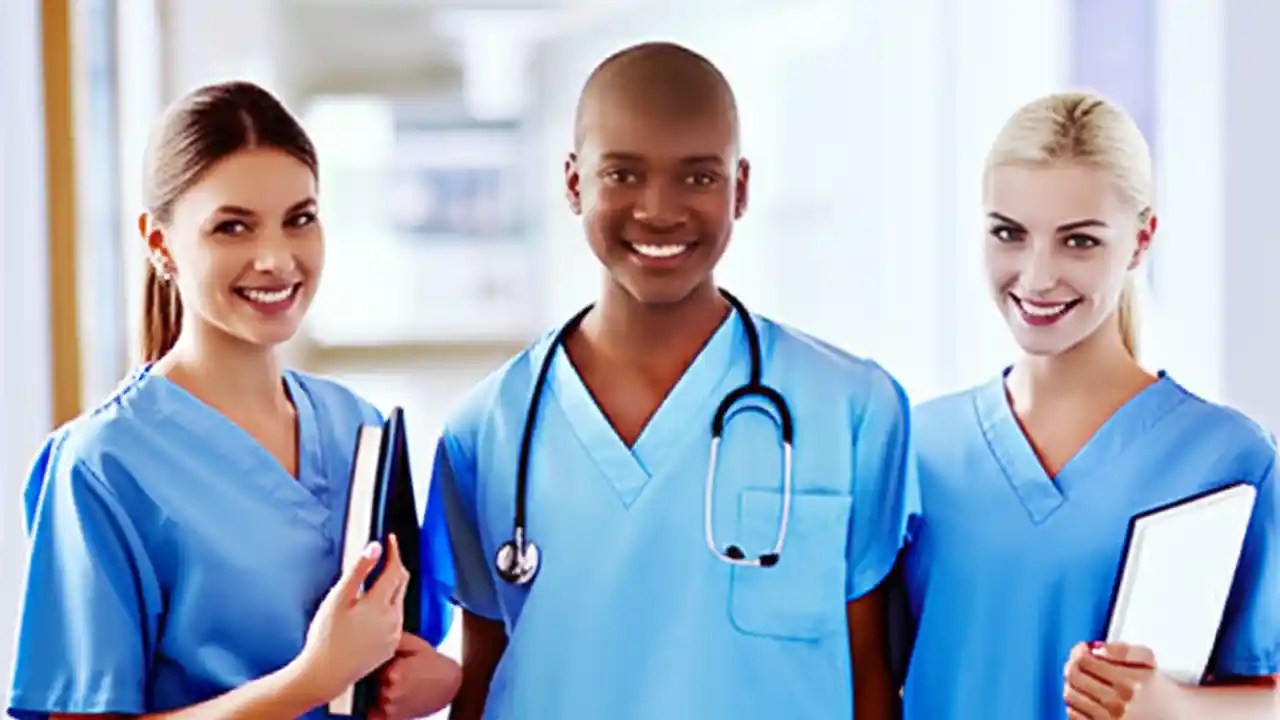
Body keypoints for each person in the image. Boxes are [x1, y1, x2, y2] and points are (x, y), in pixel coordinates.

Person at [433, 42, 915, 720]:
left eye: (698, 177)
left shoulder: (854, 409)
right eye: (623, 175)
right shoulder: (486, 430)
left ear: (740, 188)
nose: (658, 210)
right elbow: (479, 679)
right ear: (573, 183)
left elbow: (873, 679)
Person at [7, 81, 461, 720]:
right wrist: (311, 678)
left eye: (299, 219)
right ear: (160, 244)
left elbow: (392, 657)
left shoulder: (355, 428)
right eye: (232, 227)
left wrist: (435, 679)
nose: (275, 258)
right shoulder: (102, 466)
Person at [898, 91, 1279, 719]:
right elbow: (865, 680)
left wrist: (1176, 709)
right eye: (1009, 234)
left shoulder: (1227, 457)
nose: (1038, 275)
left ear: (1140, 240)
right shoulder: (916, 447)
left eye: (1079, 242)